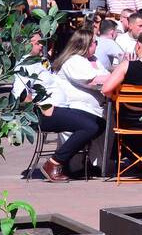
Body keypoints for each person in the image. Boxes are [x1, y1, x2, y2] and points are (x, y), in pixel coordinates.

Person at [34, 30, 108, 181]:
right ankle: (54, 162)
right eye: (95, 42)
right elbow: (92, 81)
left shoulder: (90, 59)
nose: (42, 47)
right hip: (56, 110)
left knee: (99, 124)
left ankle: (75, 164)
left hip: (65, 108)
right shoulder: (73, 61)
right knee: (90, 126)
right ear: (84, 45)